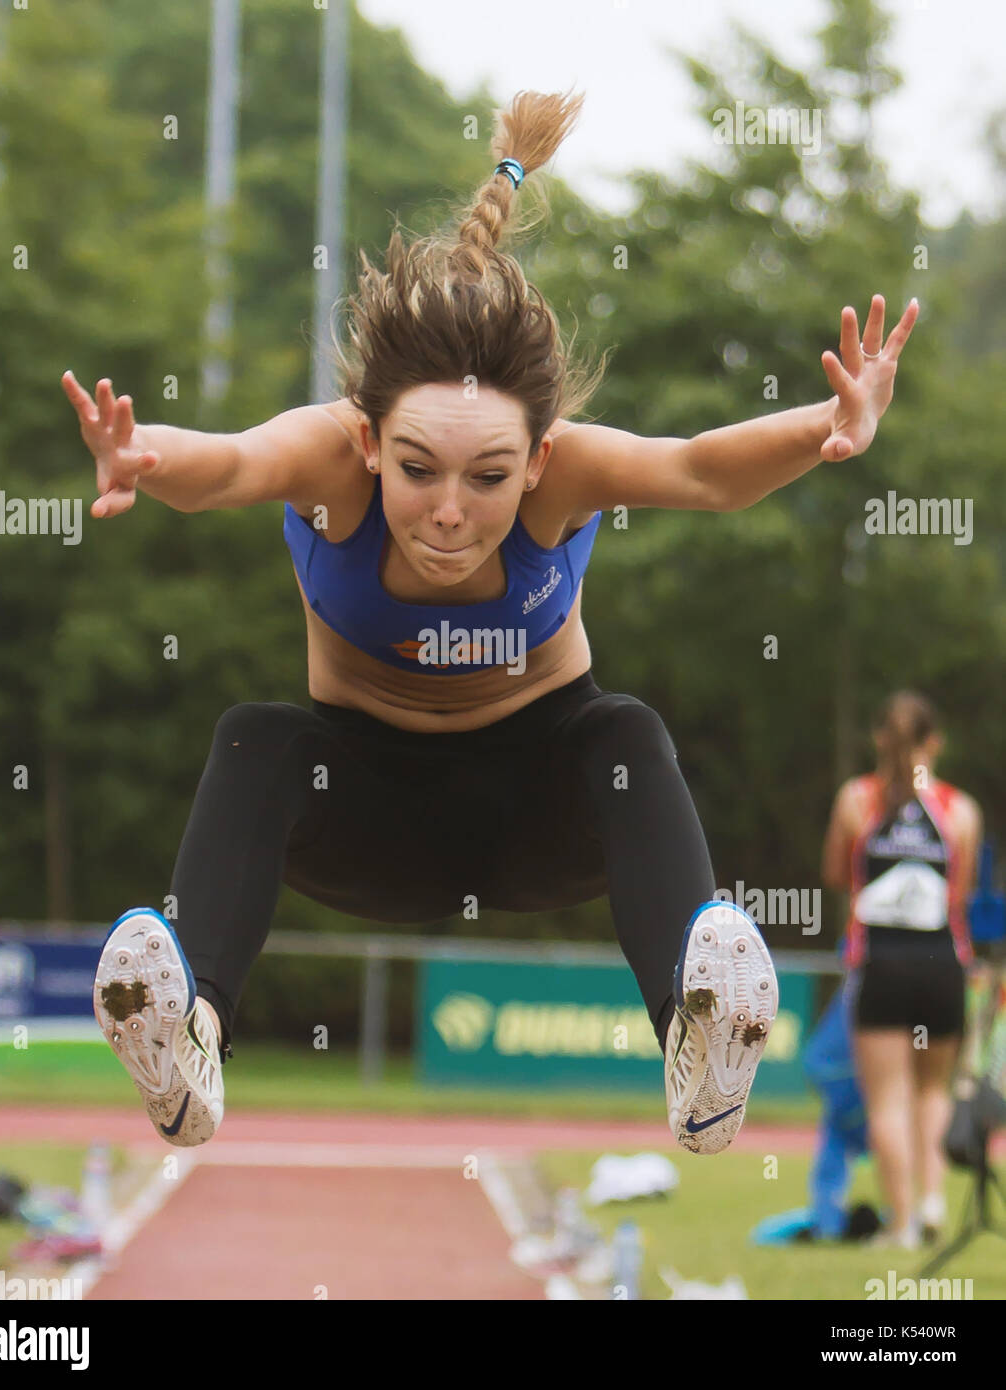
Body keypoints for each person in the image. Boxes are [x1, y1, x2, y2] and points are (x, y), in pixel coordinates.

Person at [64, 89, 918, 1156]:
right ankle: (190, 1040)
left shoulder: (572, 478)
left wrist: (829, 426)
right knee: (256, 733)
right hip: (362, 808)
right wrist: (146, 462)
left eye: (491, 476)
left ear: (543, 461)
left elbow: (700, 469)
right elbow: (231, 463)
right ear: (372, 443)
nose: (452, 512)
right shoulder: (330, 461)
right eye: (418, 469)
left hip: (539, 806)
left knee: (626, 730)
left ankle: (697, 1050)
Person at [821, 692, 983, 1246]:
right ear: (935, 743)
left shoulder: (857, 800)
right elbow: (959, 897)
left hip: (880, 965)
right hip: (942, 966)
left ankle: (903, 1221)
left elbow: (838, 876)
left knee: (887, 1099)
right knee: (933, 1092)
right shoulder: (959, 810)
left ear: (879, 740)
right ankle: (934, 1201)